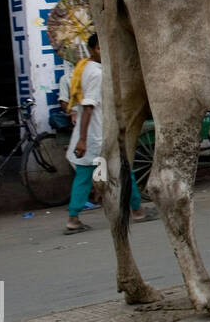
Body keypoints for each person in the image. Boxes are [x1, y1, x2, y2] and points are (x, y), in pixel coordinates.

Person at [65, 35, 156, 235]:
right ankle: (138, 211)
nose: (102, 52)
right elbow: (88, 107)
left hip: (91, 134)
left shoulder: (84, 68)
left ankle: (73, 218)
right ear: (92, 49)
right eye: (99, 48)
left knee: (84, 177)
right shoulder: (97, 74)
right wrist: (83, 140)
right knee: (125, 171)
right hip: (98, 135)